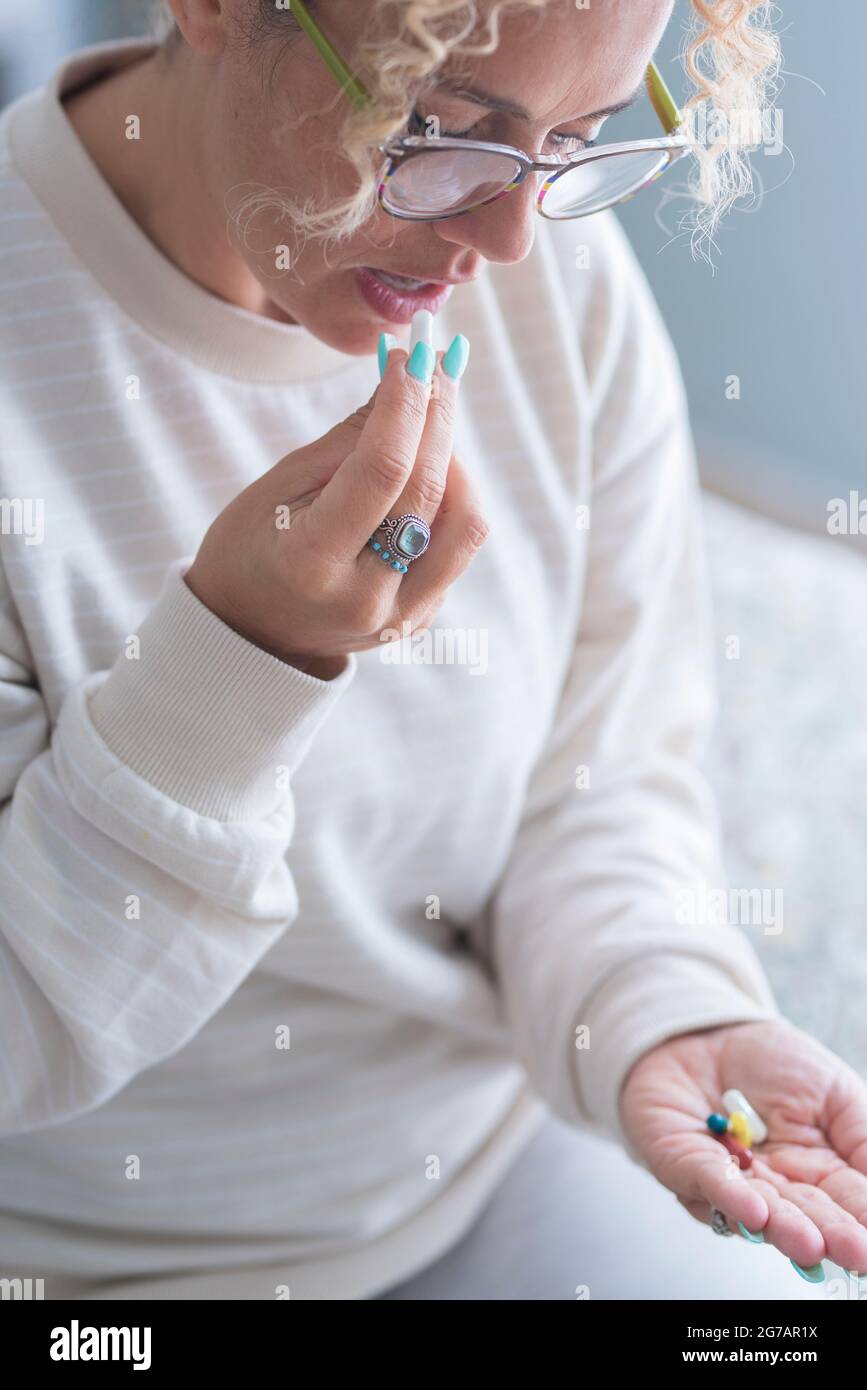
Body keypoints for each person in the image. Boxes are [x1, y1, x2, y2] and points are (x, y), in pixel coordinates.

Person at [0, 0, 863, 1302]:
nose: (507, 240)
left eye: (575, 140)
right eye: (436, 130)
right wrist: (237, 668)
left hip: (474, 1178)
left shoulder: (559, 295)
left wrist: (668, 1010)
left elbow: (600, 782)